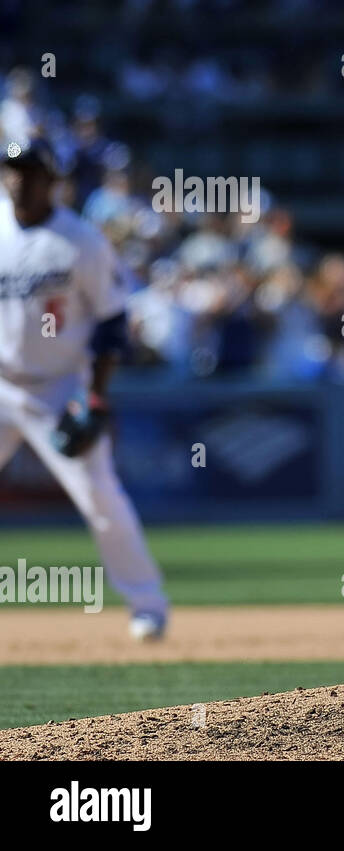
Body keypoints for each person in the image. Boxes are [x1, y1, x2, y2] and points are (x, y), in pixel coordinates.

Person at [0, 138, 169, 639]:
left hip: (57, 387)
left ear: (52, 180)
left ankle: (148, 605)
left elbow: (114, 324)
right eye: (9, 171)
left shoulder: (82, 241)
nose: (16, 181)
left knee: (99, 496)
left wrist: (94, 397)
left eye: (28, 172)